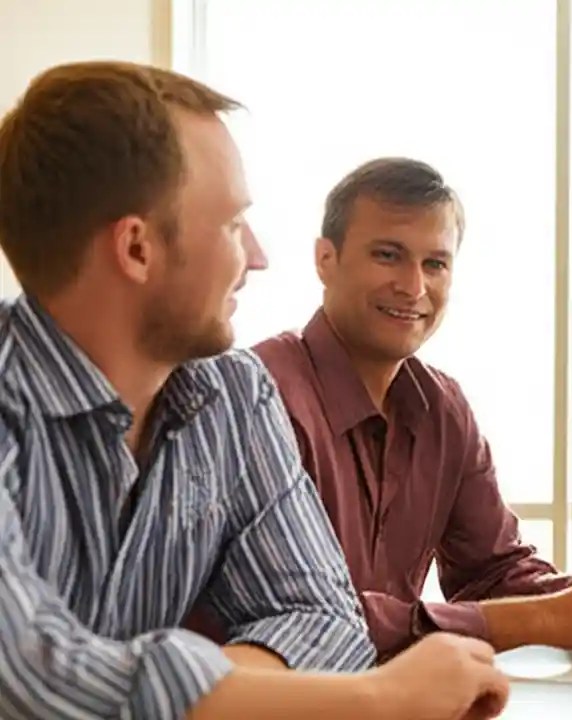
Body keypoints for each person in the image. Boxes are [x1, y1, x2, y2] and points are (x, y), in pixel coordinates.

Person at [0, 61, 507, 720]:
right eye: (234, 224)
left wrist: (189, 699)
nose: (260, 255)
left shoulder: (236, 397)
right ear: (137, 249)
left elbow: (329, 621)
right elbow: (25, 677)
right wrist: (377, 699)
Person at [254, 156, 572, 662]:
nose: (414, 287)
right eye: (387, 255)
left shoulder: (443, 409)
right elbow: (305, 620)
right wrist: (546, 618)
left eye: (435, 264)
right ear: (325, 260)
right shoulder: (260, 397)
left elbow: (494, 575)